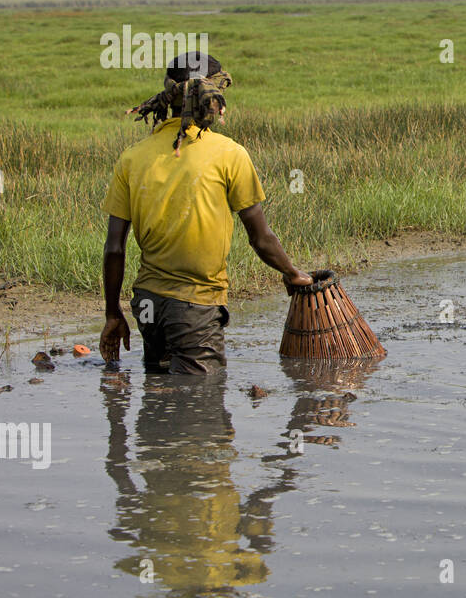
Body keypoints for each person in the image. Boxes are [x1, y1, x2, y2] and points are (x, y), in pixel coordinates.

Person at [99, 52, 311, 374]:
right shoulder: (229, 154)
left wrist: (113, 314)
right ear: (215, 99)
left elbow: (115, 247)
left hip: (146, 305)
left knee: (157, 394)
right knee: (201, 403)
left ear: (168, 96)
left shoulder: (132, 158)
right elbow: (261, 238)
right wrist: (291, 272)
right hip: (195, 304)